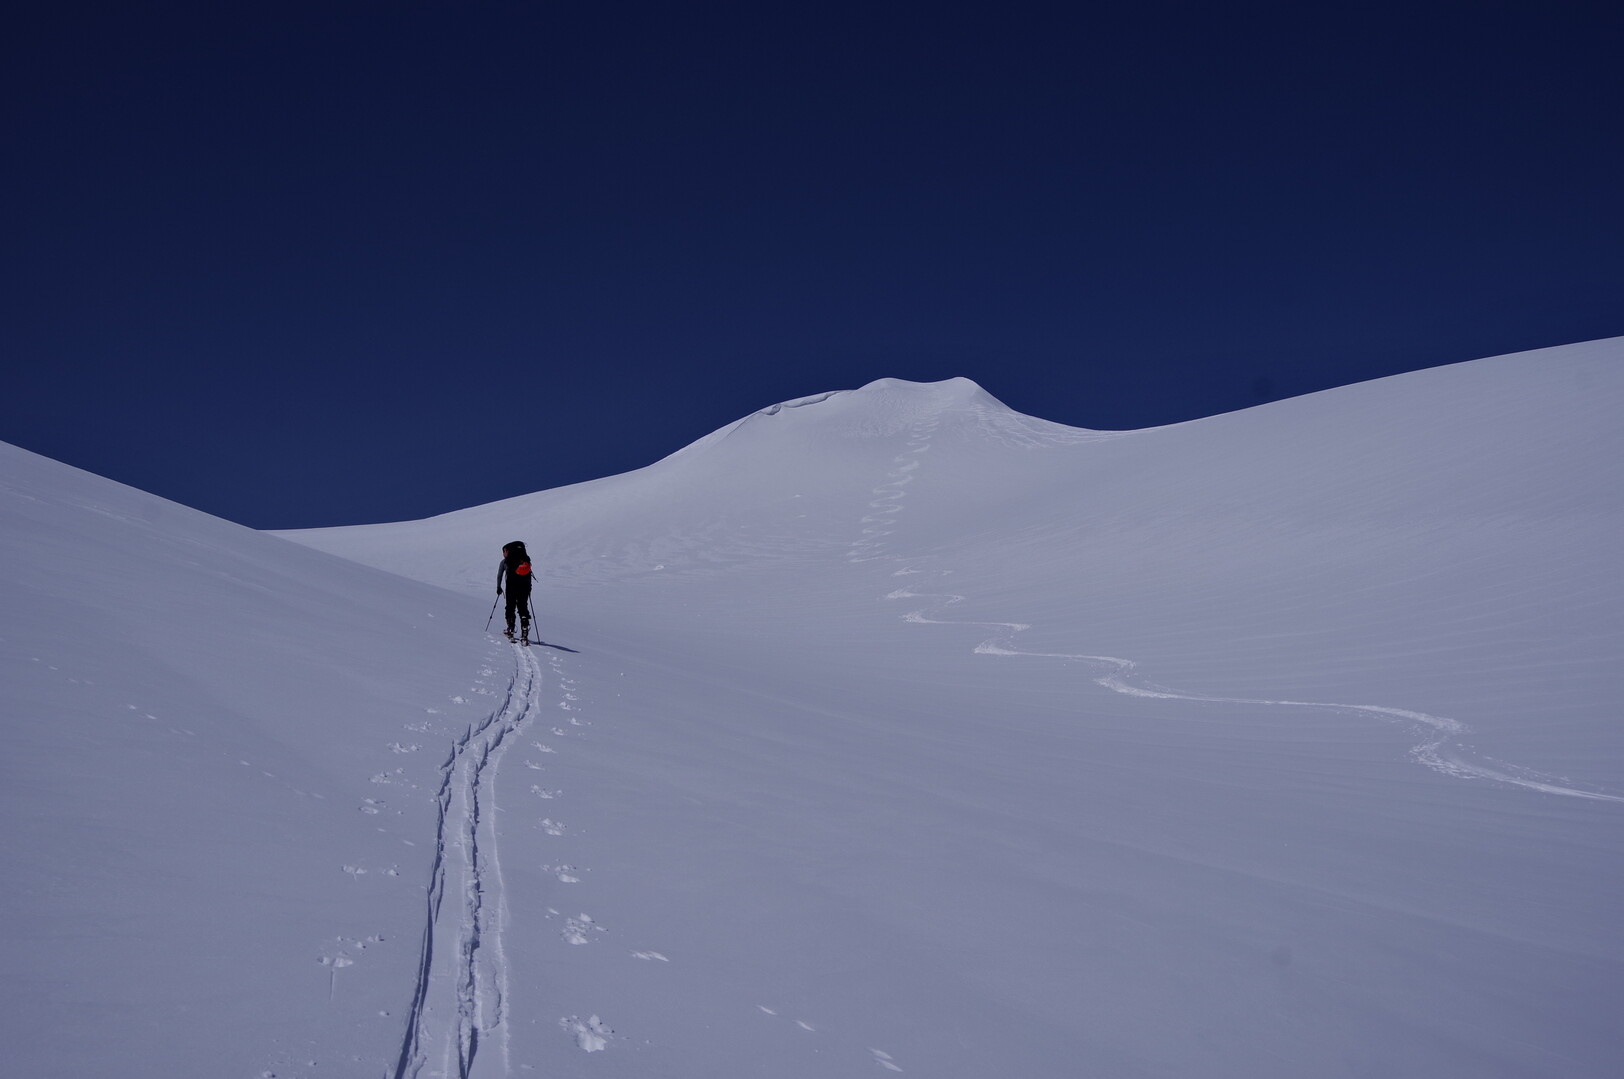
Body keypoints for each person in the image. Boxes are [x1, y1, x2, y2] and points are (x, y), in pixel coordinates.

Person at [496, 540, 535, 642]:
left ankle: (511, 629)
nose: (503, 554)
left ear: (507, 551)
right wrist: (529, 587)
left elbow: (499, 575)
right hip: (524, 587)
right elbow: (529, 575)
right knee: (523, 607)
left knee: (510, 606)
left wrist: (498, 587)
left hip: (511, 586)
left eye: (504, 551)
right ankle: (525, 630)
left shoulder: (505, 562)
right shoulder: (524, 560)